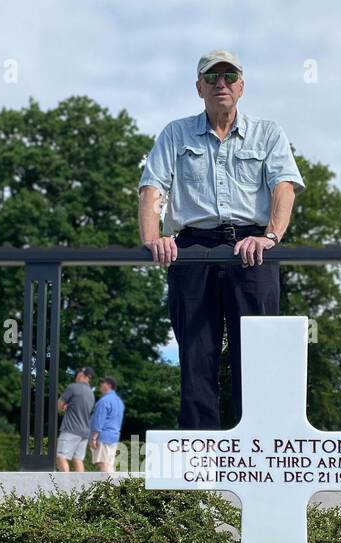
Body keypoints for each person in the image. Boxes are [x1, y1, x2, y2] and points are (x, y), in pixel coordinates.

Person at [138, 48, 305, 429]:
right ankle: (198, 456)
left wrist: (270, 237)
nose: (221, 84)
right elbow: (152, 188)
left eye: (229, 76)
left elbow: (284, 188)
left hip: (253, 247)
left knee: (260, 352)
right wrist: (154, 238)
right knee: (197, 353)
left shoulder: (268, 133)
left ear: (242, 86)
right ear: (199, 87)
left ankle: (262, 442)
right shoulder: (175, 133)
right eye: (212, 78)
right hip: (192, 247)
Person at [55, 366, 95, 471]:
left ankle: (65, 485)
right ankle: (80, 487)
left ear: (81, 374)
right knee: (78, 460)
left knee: (61, 457)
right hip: (84, 432)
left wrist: (62, 407)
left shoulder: (73, 387)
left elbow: (59, 405)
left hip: (71, 429)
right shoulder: (91, 393)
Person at [88, 376, 124, 473]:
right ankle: (112, 487)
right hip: (114, 437)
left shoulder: (104, 401)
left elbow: (99, 421)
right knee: (109, 464)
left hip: (103, 436)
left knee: (103, 464)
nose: (100, 385)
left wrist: (93, 438)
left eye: (102, 383)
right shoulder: (119, 402)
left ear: (109, 385)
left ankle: (109, 487)